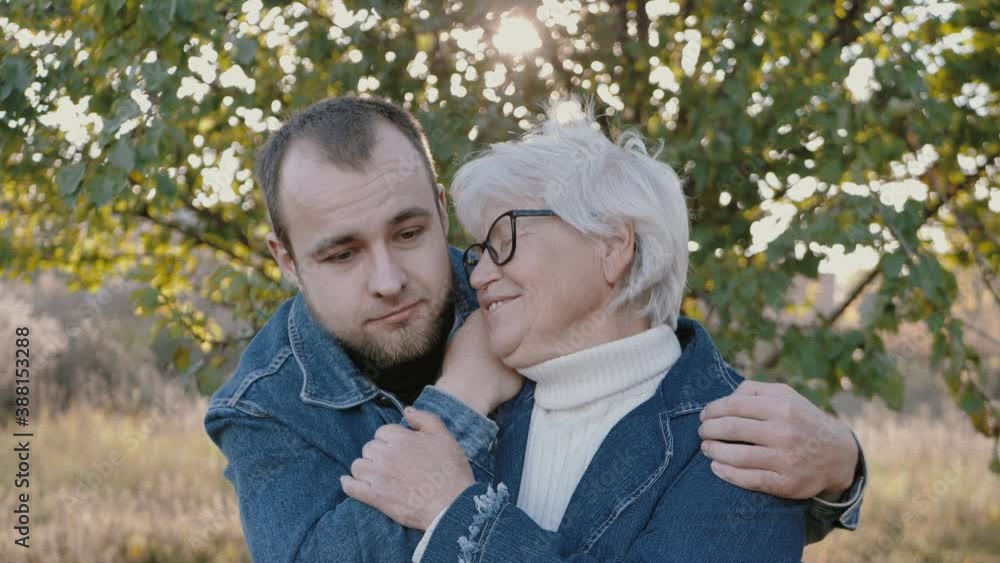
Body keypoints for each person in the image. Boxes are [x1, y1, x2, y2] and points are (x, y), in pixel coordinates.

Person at [204, 96, 865, 562]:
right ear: (286, 259)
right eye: (341, 253)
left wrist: (843, 468)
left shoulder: (520, 303)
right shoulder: (264, 403)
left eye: (409, 233)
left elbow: (638, 340)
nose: (388, 279)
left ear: (438, 212)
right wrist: (457, 405)